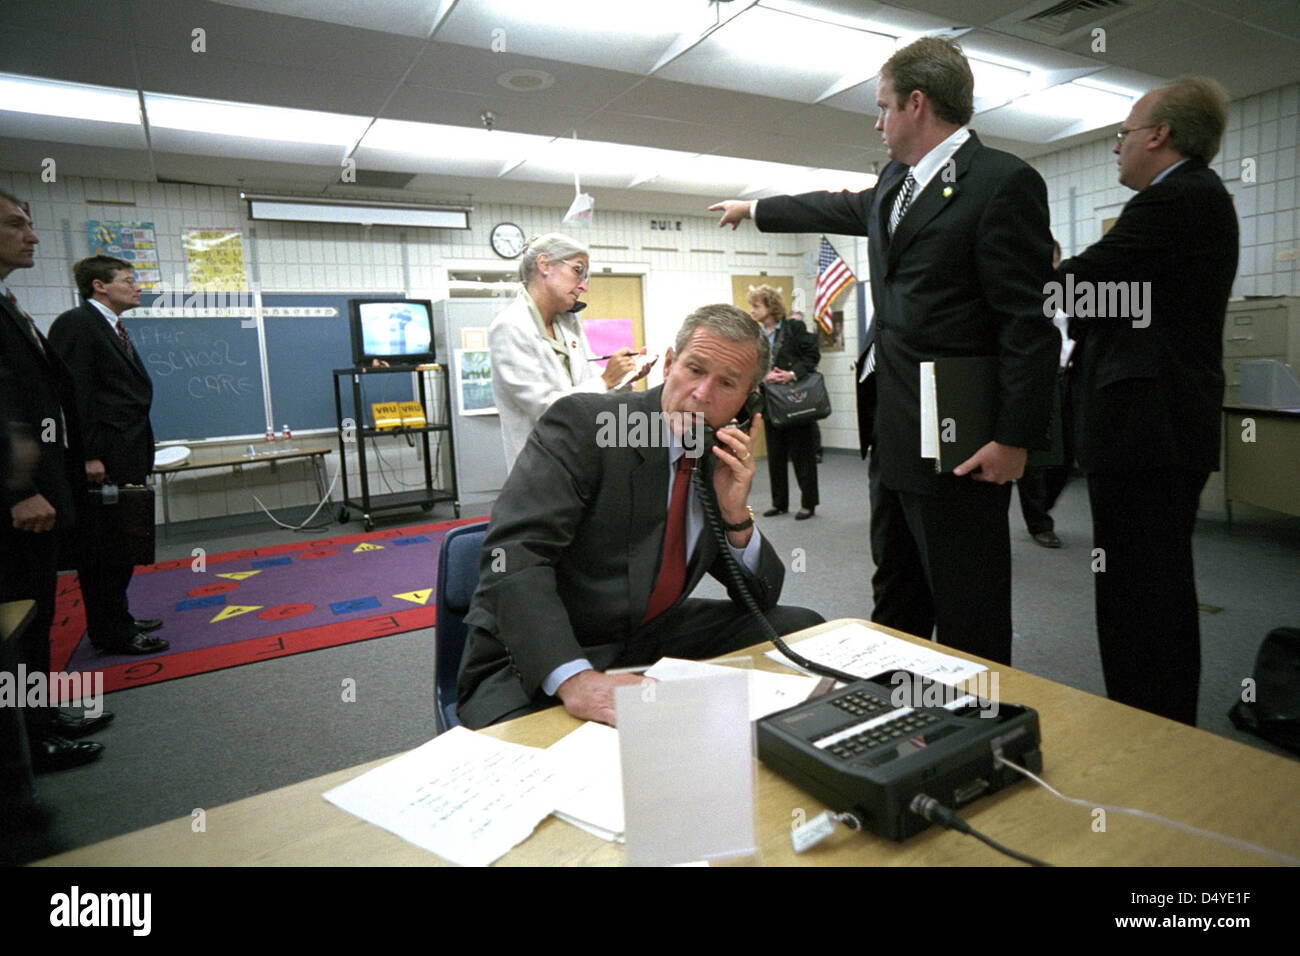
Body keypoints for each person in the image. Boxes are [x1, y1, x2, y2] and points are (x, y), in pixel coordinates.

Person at [710, 37, 1058, 665]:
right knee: (895, 586)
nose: (877, 123)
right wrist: (757, 208)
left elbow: (1027, 324)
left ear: (916, 104)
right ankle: (896, 713)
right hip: (894, 421)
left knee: (966, 599)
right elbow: (840, 206)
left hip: (960, 433)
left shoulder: (1003, 183)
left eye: (883, 107)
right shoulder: (897, 181)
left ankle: (973, 737)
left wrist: (1016, 437)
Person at [457, 304, 825, 728]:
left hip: (647, 633)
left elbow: (760, 598)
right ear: (669, 364)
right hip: (547, 646)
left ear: (749, 401)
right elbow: (513, 556)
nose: (702, 394)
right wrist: (573, 677)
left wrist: (734, 514)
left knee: (800, 628)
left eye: (727, 383)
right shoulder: (588, 425)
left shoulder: (715, 452)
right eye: (694, 369)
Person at [1058, 76, 1238, 725]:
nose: (1117, 148)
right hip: (1155, 432)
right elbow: (1113, 303)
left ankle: (1152, 729)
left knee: (1141, 594)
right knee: (1145, 587)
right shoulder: (1192, 202)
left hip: (1147, 434)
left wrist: (1034, 270)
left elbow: (1073, 293)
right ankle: (1153, 721)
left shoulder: (1176, 200)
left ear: (1159, 135)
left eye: (1124, 134)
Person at [0, 188, 108, 771]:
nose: (33, 235)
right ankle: (27, 743)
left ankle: (40, 718)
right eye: (18, 224)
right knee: (15, 628)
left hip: (42, 490)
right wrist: (17, 489)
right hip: (18, 501)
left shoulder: (10, 304)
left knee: (36, 620)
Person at [48, 256, 169, 656]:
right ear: (100, 285)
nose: (137, 287)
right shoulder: (77, 324)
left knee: (122, 544)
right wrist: (89, 456)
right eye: (128, 280)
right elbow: (75, 395)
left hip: (127, 451)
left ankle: (119, 617)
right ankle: (112, 632)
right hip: (103, 460)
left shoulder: (111, 327)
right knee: (103, 550)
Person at [488, 232, 645, 471]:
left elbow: (589, 378)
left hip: (581, 458)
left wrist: (625, 376)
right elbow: (545, 408)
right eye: (577, 271)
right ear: (545, 265)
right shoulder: (510, 327)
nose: (583, 286)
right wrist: (605, 381)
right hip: (541, 468)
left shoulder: (567, 325)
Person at [1016, 240, 1075, 548]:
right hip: (1037, 377)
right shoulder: (1025, 292)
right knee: (1034, 456)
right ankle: (1039, 522)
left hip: (1067, 377)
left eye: (1053, 261)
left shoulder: (1070, 292)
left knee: (1068, 452)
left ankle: (1043, 505)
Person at [750, 287, 820, 520]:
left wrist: (791, 374)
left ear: (770, 307)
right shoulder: (757, 334)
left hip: (794, 398)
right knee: (776, 454)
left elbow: (812, 356)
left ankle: (808, 503)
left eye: (756, 306)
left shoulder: (793, 328)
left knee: (802, 454)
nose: (752, 311)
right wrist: (761, 377)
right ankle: (779, 502)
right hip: (770, 400)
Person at [788, 311, 825, 463]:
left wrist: (796, 371)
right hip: (789, 385)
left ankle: (816, 451)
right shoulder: (785, 340)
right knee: (790, 419)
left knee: (809, 418)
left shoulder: (809, 339)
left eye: (798, 322)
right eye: (792, 322)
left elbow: (812, 360)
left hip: (806, 382)